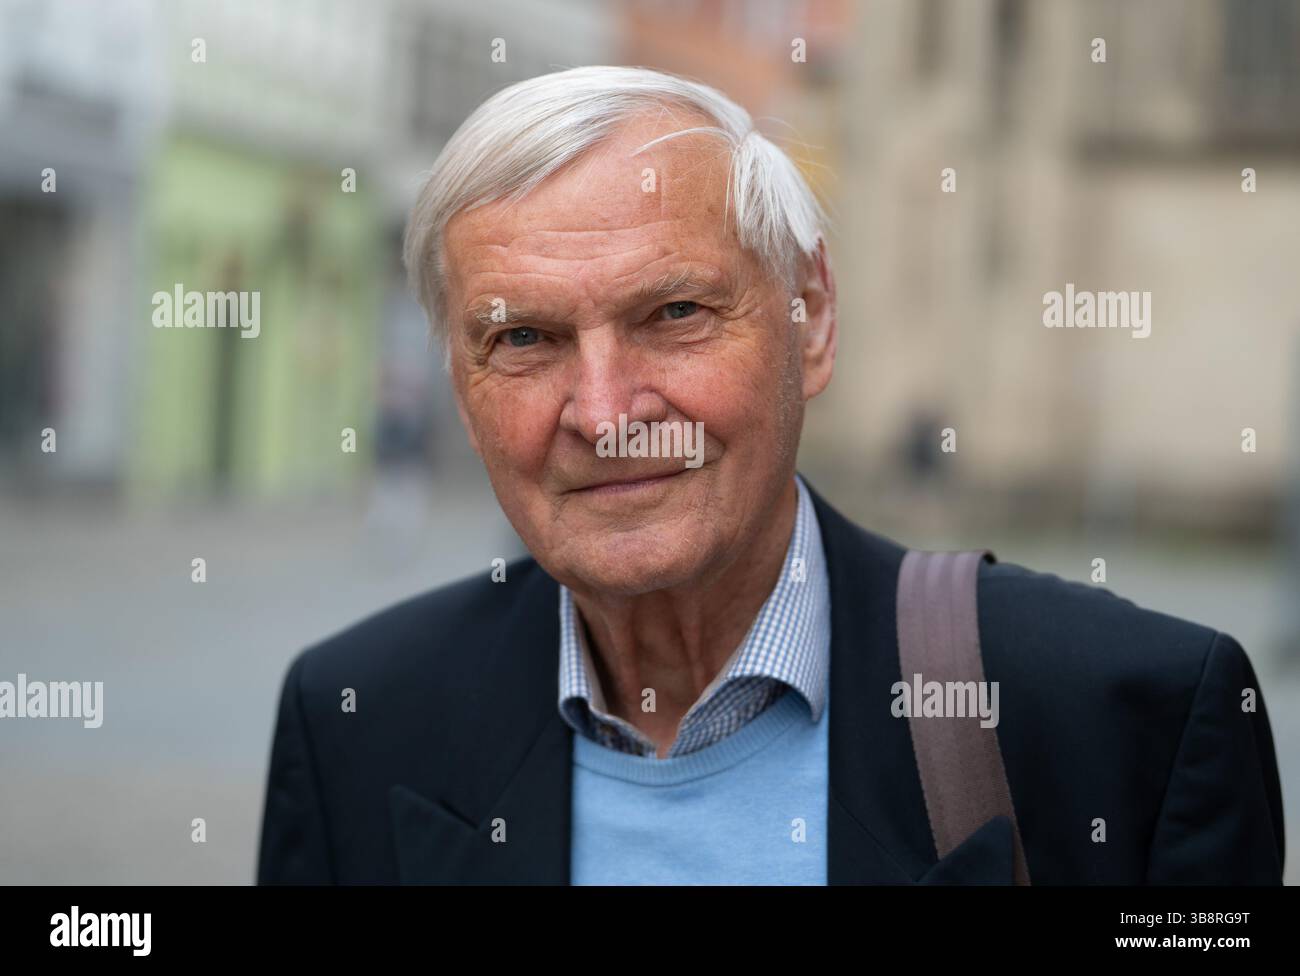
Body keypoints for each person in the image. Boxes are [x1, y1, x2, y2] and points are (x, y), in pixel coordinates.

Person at [257, 66, 1284, 885]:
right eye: (524, 336)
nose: (607, 414)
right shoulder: (355, 716)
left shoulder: (1128, 719)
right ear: (460, 385)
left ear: (814, 319)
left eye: (675, 314)